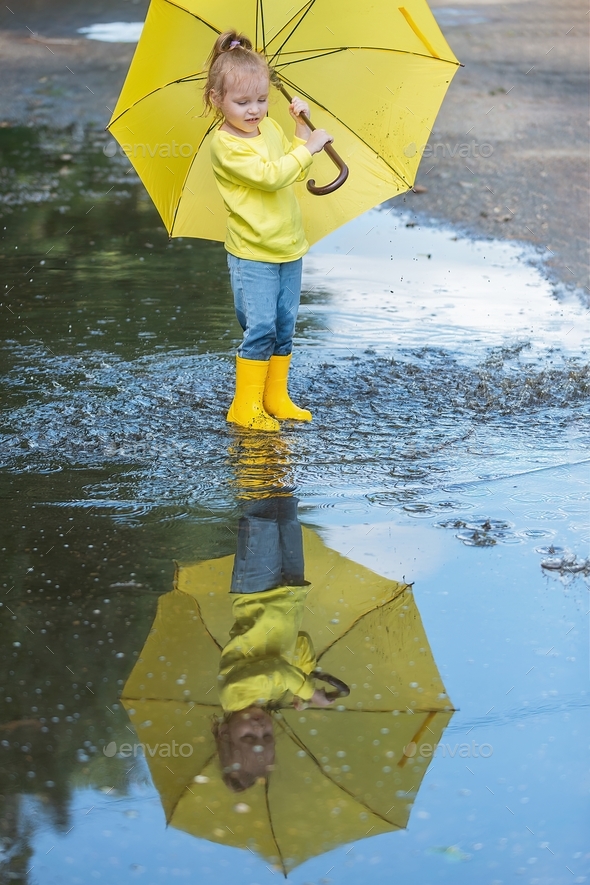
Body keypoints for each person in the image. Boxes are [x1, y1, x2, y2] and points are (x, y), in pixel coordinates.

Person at [203, 30, 334, 431]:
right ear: (217, 100)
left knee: (284, 324)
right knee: (259, 327)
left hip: (287, 245)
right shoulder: (225, 145)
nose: (254, 110)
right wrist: (307, 148)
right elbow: (271, 176)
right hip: (253, 253)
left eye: (261, 100)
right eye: (242, 102)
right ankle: (244, 406)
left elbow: (294, 172)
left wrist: (299, 130)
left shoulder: (272, 130)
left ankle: (276, 397)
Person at [213, 496, 347, 792]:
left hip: (256, 591)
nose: (260, 730)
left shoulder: (234, 694)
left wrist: (308, 692)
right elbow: (300, 643)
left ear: (224, 732)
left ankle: (254, 463)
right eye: (267, 738)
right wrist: (305, 676)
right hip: (290, 591)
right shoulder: (273, 693)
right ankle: (281, 463)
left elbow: (275, 668)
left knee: (260, 514)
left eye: (248, 737)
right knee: (286, 512)